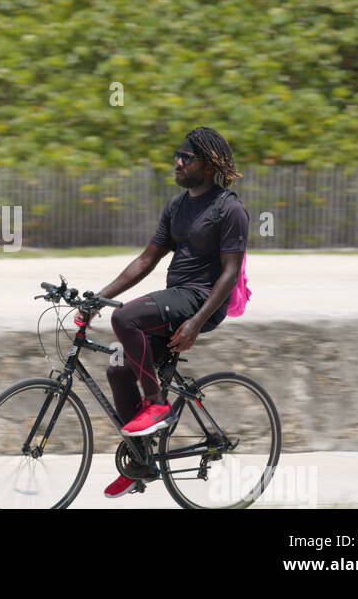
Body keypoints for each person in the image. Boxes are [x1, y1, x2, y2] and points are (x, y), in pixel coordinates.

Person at [94, 126, 249, 498]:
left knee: (126, 318)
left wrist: (196, 323)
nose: (177, 163)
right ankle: (141, 462)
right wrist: (99, 297)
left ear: (209, 165)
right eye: (177, 156)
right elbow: (147, 260)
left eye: (186, 158)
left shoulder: (229, 208)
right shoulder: (177, 206)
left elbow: (229, 274)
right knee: (117, 367)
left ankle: (158, 404)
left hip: (201, 301)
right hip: (175, 297)